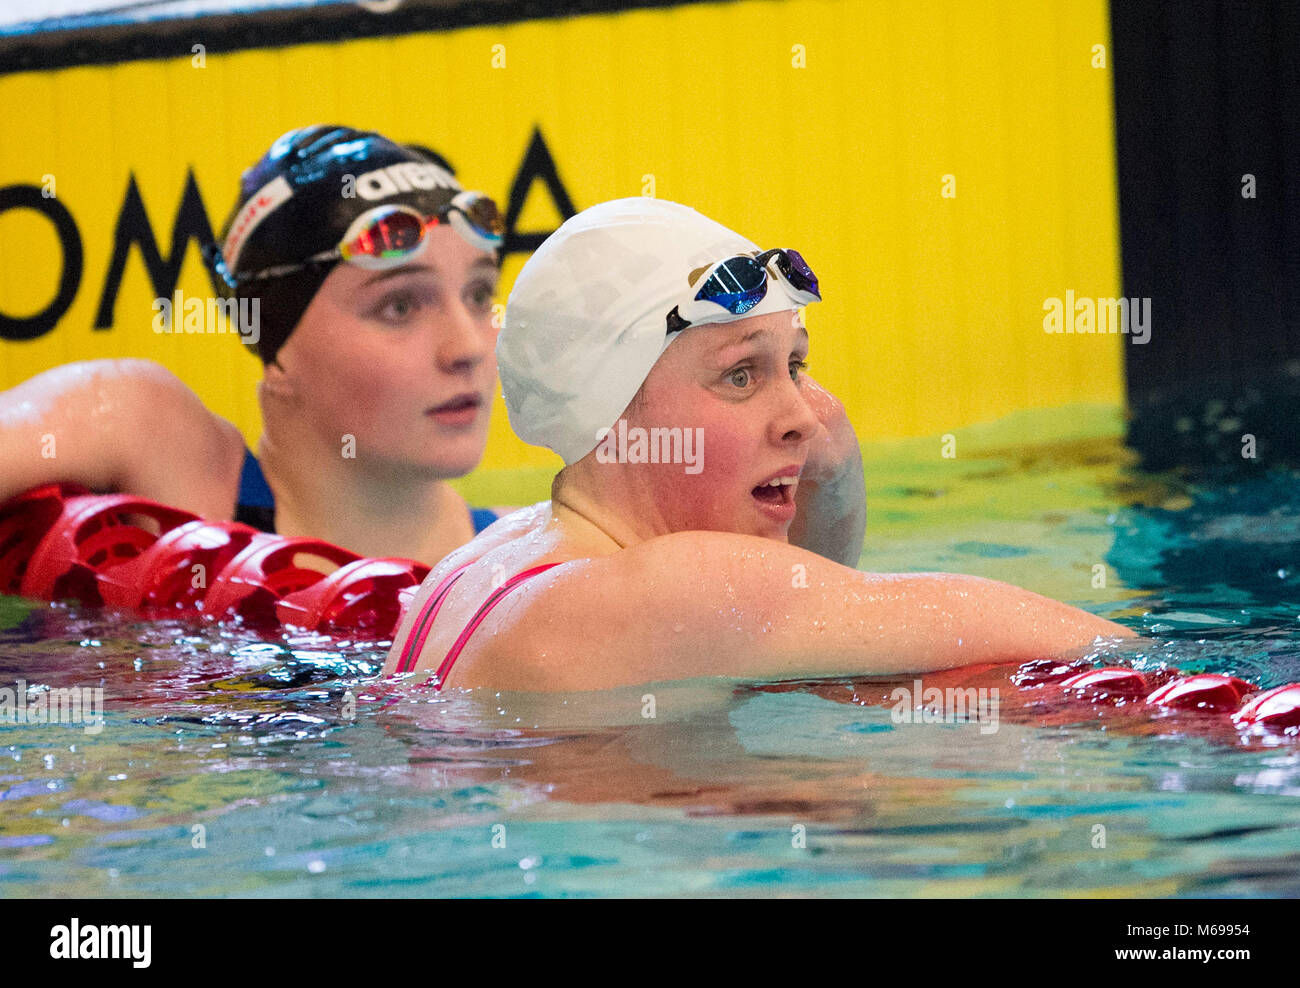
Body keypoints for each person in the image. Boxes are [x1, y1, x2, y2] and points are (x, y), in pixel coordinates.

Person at [386, 197, 1135, 690]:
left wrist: (822, 462)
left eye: (796, 365)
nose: (803, 418)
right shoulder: (681, 584)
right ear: (607, 413)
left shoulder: (489, 558)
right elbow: (1108, 651)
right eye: (740, 375)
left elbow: (807, 617)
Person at [0, 125, 505, 564]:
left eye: (480, 295)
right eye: (399, 306)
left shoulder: (529, 562)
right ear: (275, 341)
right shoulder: (168, 462)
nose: (467, 348)